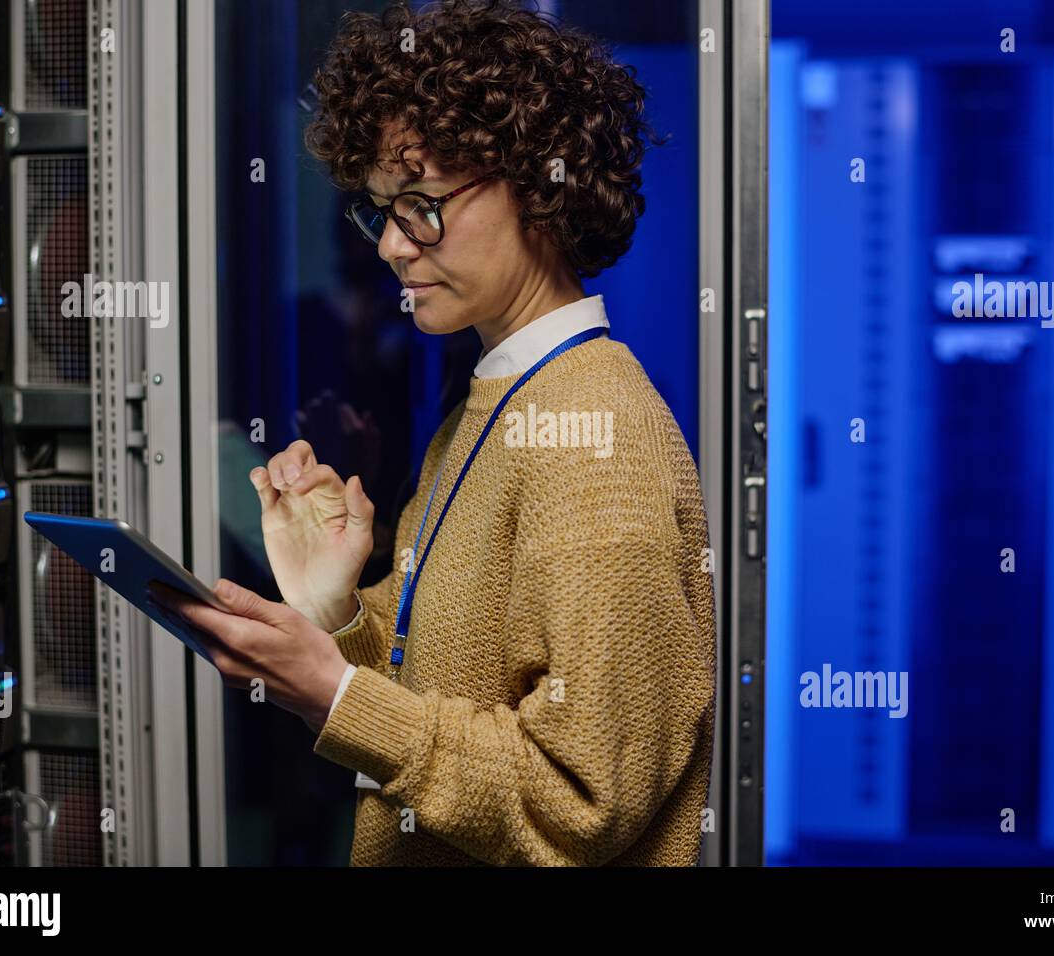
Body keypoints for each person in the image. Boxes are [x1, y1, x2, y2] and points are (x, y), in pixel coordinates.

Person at [154, 0, 715, 866]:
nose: (390, 246)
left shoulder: (594, 440)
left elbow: (584, 798)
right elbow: (442, 684)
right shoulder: (494, 402)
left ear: (539, 187)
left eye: (420, 205)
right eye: (378, 211)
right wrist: (335, 610)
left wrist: (337, 694)